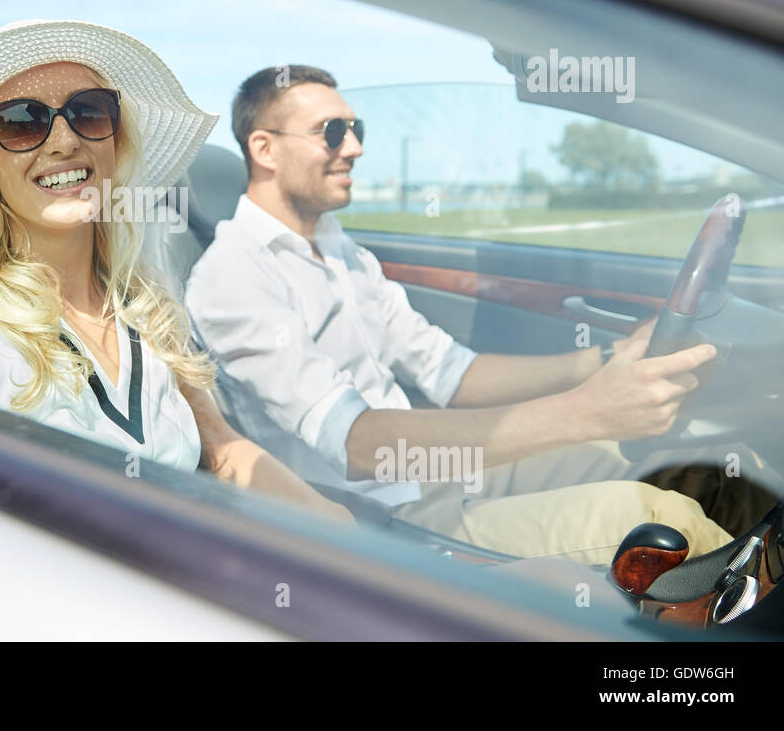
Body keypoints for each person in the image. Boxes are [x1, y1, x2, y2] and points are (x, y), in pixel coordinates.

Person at [185, 65, 740, 564]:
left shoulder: (339, 249)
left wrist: (604, 360)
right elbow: (355, 443)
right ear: (264, 148)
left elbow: (452, 371)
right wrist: (587, 412)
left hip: (436, 472)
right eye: (332, 131)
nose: (353, 147)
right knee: (664, 518)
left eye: (358, 131)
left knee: (692, 475)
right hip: (377, 519)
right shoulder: (232, 277)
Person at [0, 21, 349, 523]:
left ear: (116, 145)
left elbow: (223, 452)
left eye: (88, 113)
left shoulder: (149, 312)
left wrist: (344, 527)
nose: (63, 140)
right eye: (21, 122)